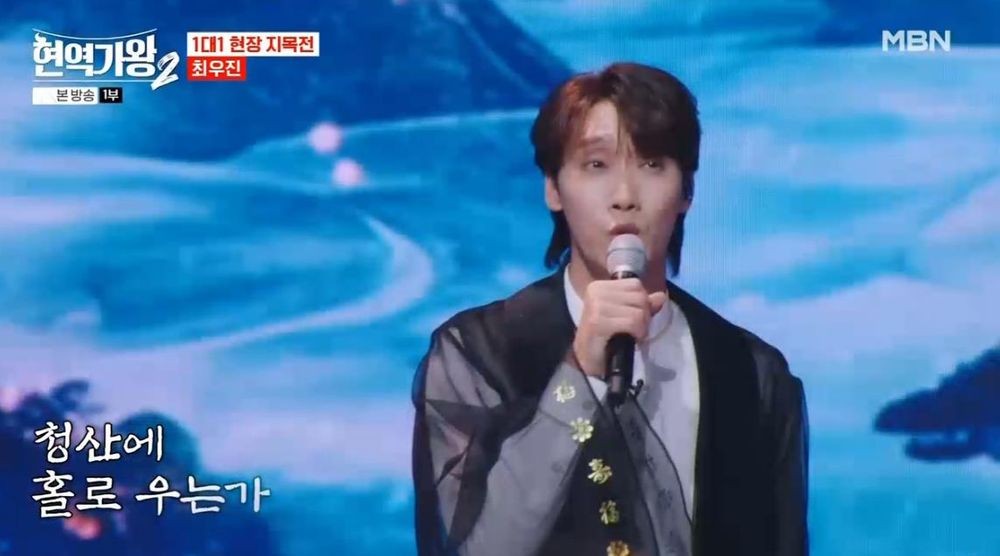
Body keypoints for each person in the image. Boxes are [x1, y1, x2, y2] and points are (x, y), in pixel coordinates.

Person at [411, 62, 809, 556]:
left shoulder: (751, 371)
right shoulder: (477, 353)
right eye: (596, 165)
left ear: (687, 191)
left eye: (652, 165)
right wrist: (578, 378)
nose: (624, 197)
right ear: (553, 188)